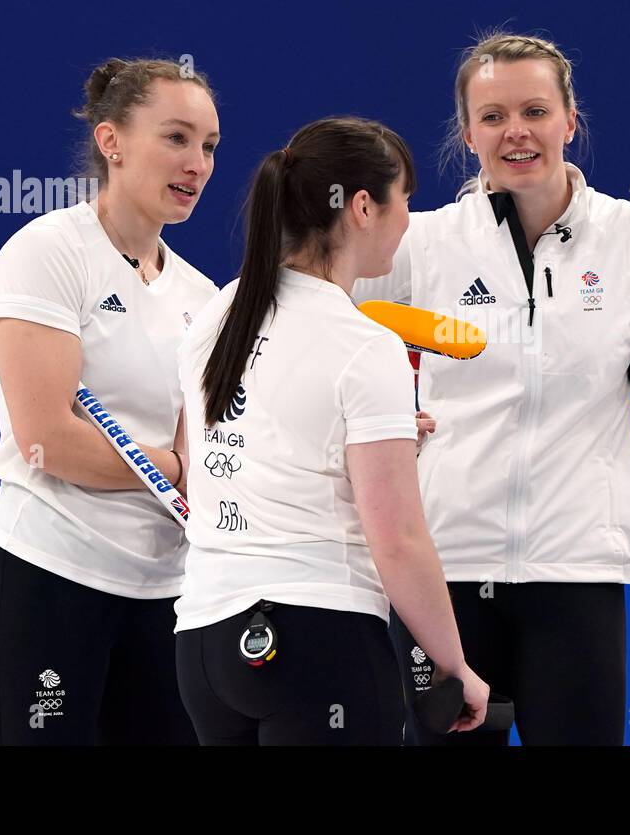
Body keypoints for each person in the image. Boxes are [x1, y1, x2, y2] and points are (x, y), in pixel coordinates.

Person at [351, 32, 630, 746]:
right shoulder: (422, 242)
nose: (515, 131)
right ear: (467, 133)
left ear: (569, 121)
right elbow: (300, 301)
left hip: (575, 569)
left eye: (534, 110)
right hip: (446, 574)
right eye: (492, 117)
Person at [174, 117, 490, 746]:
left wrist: (380, 443)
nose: (408, 220)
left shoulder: (213, 314)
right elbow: (397, 538)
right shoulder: (363, 346)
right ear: (365, 208)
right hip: (319, 640)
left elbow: (220, 454)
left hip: (205, 647)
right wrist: (454, 665)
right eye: (405, 199)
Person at [0, 57, 221, 744]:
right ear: (111, 142)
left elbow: (207, 450)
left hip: (168, 594)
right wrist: (170, 467)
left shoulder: (203, 297)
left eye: (208, 145)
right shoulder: (47, 253)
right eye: (176, 138)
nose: (196, 163)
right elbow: (48, 441)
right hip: (51, 578)